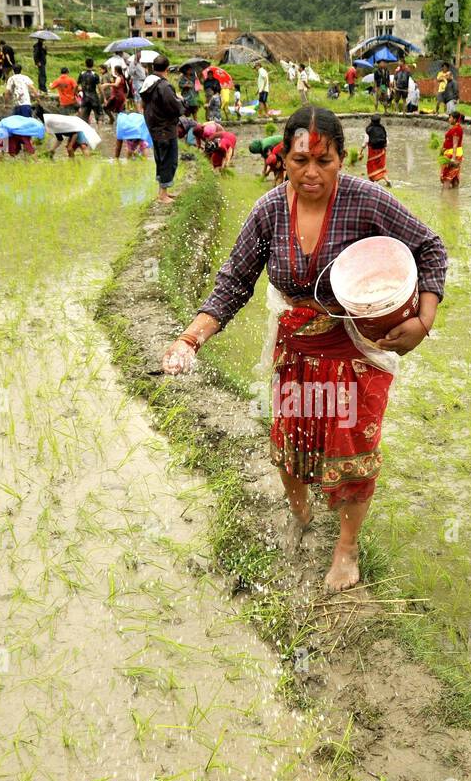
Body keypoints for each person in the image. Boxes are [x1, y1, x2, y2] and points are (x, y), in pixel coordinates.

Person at [161, 106, 448, 593]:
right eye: (300, 160)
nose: (311, 173)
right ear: (284, 160)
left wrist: (423, 320)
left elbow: (430, 248)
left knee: (353, 448)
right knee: (291, 445)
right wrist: (191, 337)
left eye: (324, 160)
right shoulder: (270, 210)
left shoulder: (366, 201)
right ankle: (301, 511)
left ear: (342, 159)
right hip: (296, 349)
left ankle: (347, 547)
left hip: (356, 347)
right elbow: (233, 282)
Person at [141, 55, 185, 204]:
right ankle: (163, 195)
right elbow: (174, 107)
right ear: (167, 68)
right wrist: (180, 101)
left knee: (161, 158)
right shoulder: (163, 86)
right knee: (168, 160)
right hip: (165, 128)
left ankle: (162, 191)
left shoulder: (148, 82)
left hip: (154, 127)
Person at [34, 105, 99, 159]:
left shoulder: (57, 123)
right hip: (73, 133)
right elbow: (60, 139)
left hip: (78, 129)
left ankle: (88, 163)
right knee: (70, 150)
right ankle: (73, 165)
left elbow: (75, 132)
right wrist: (52, 150)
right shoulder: (54, 126)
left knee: (82, 146)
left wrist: (71, 145)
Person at [361, 115, 390, 187]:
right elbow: (387, 141)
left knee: (371, 166)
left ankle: (373, 183)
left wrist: (361, 150)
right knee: (382, 167)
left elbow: (366, 141)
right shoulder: (382, 128)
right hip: (382, 151)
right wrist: (384, 148)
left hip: (373, 151)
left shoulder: (368, 129)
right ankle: (387, 180)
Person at [440, 111, 464, 188]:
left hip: (453, 155)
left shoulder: (456, 129)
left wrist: (453, 158)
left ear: (455, 119)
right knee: (454, 177)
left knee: (447, 177)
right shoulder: (456, 128)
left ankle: (445, 197)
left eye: (450, 118)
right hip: (453, 153)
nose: (449, 119)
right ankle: (454, 196)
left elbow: (455, 144)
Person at [78, 58, 103, 125]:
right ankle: (100, 133)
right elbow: (100, 88)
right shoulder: (95, 75)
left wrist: (75, 93)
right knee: (99, 118)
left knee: (84, 120)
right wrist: (104, 98)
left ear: (85, 64)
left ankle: (85, 134)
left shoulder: (81, 74)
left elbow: (76, 86)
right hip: (94, 98)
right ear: (93, 65)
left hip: (85, 99)